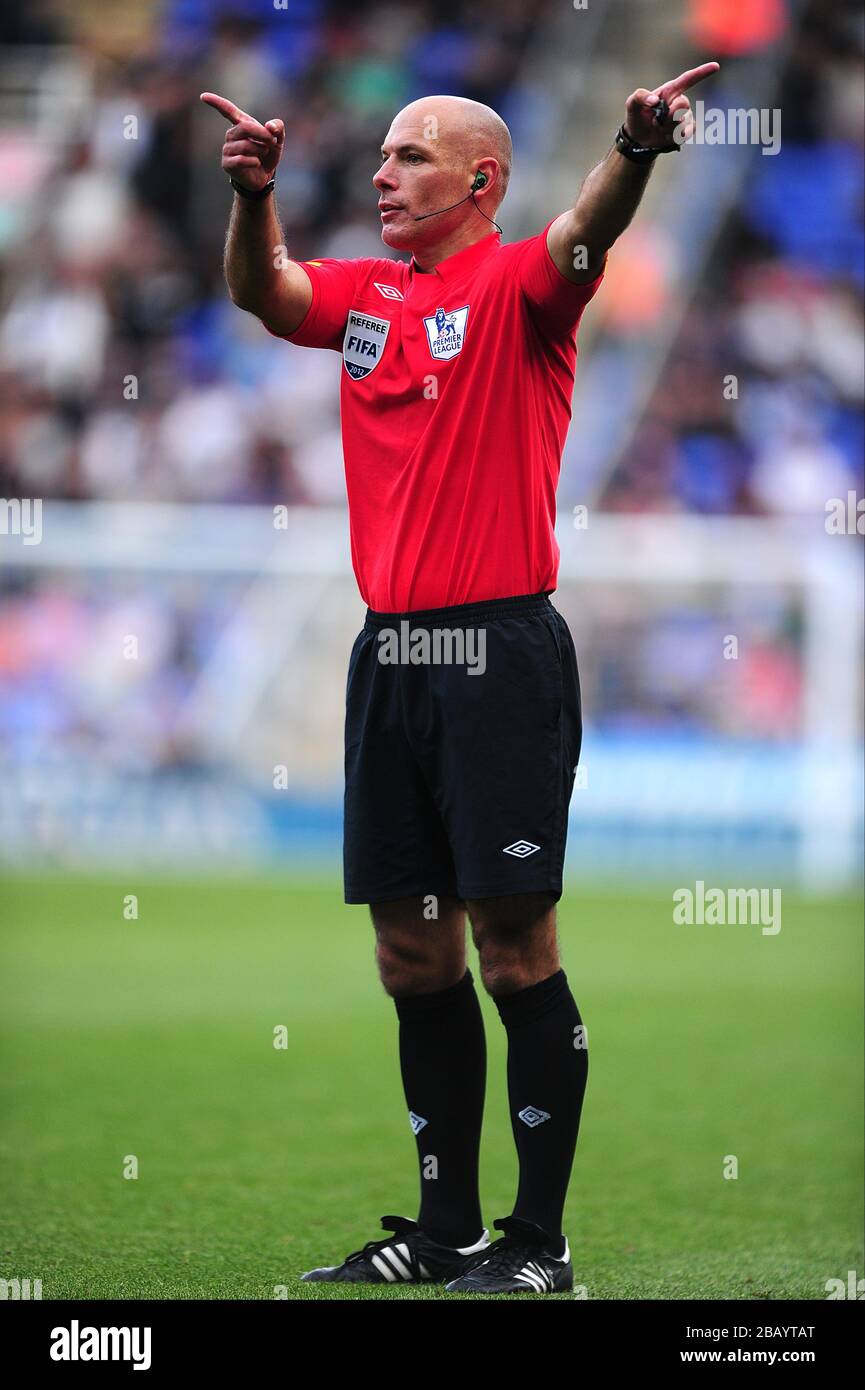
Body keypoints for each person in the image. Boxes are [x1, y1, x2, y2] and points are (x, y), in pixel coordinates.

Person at [202, 66, 718, 1295]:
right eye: (383, 155)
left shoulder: (522, 286)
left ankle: (540, 1244)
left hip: (496, 654)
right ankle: (444, 1233)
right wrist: (255, 196)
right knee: (409, 955)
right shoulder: (365, 296)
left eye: (410, 157)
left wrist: (632, 150)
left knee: (514, 951)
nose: (382, 173)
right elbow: (260, 290)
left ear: (479, 181)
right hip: (391, 655)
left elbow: (585, 232)